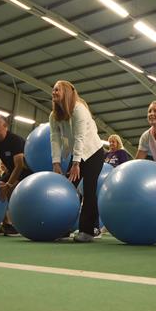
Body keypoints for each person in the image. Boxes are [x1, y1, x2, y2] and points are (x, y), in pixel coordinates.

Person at [49, 81, 105, 243]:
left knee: (89, 189)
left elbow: (80, 137)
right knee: (67, 189)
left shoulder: (79, 109)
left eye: (57, 89)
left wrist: (76, 164)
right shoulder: (54, 115)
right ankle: (63, 228)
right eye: (53, 90)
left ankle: (87, 231)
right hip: (77, 155)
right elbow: (55, 139)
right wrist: (56, 162)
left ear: (66, 91)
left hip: (93, 153)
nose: (53, 92)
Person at [0, 114, 32, 236]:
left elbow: (20, 166)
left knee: (6, 190)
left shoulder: (14, 140)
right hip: (13, 172)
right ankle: (6, 225)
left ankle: (12, 225)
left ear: (5, 125)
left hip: (29, 173)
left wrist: (9, 185)